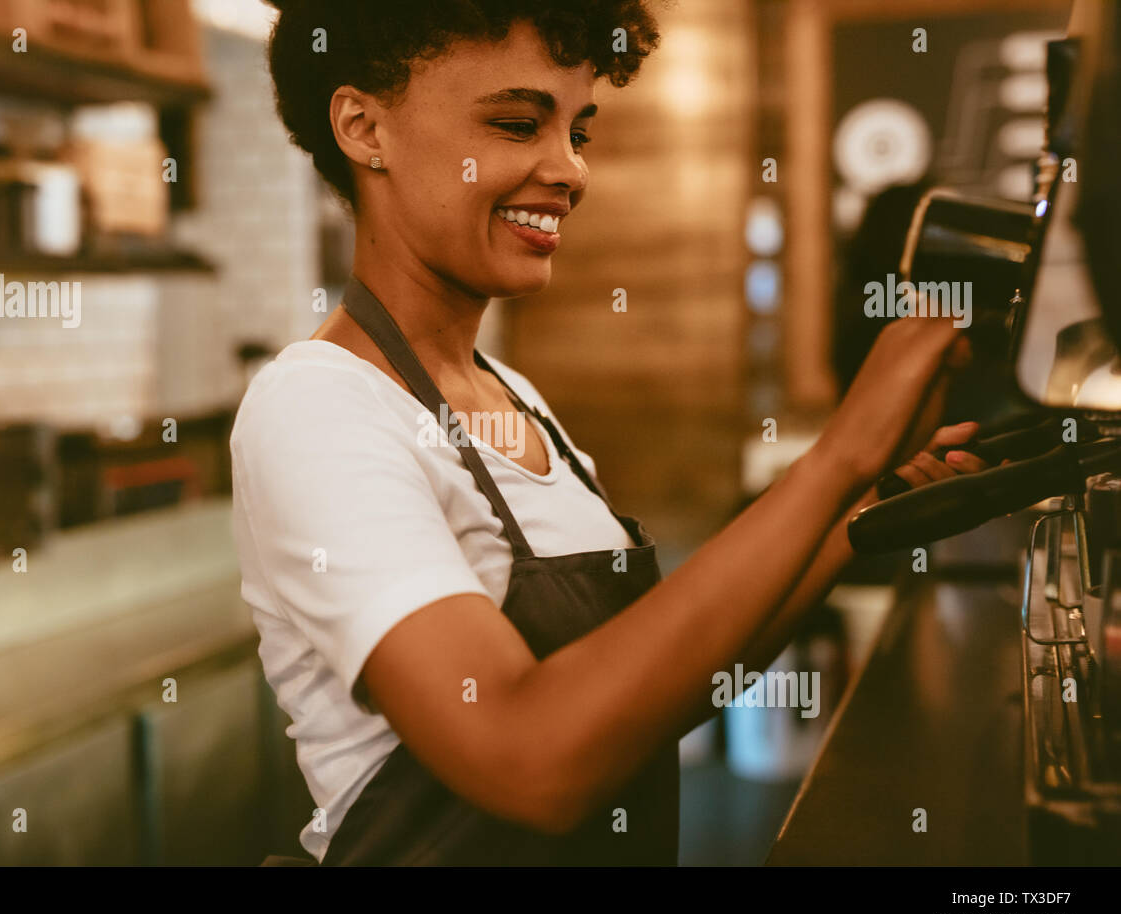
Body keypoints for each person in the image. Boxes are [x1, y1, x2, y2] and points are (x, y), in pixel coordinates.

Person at [230, 0, 992, 865]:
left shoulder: (513, 395)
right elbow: (531, 756)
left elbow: (649, 695)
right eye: (519, 123)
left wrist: (865, 504)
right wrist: (838, 454)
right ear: (365, 128)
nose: (570, 171)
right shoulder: (318, 407)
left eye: (577, 131)